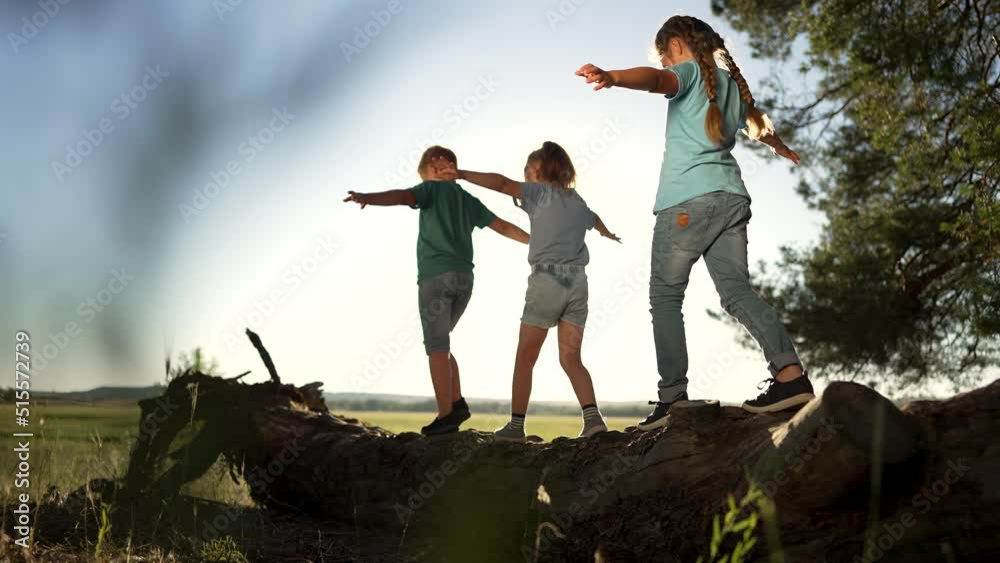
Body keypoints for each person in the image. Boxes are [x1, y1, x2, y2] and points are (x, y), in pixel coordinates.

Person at [575, 15, 814, 429]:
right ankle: (791, 377)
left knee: (665, 296)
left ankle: (672, 399)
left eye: (666, 56)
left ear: (678, 46)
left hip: (688, 201)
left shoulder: (686, 74)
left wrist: (613, 76)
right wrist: (781, 147)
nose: (667, 64)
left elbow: (655, 81)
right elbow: (759, 127)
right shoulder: (731, 86)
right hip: (732, 198)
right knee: (738, 293)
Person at [433, 141, 621, 442]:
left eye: (527, 171)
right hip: (578, 284)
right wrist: (605, 232)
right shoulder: (576, 200)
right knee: (571, 358)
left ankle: (516, 427)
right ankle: (594, 419)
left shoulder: (538, 193)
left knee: (525, 356)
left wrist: (462, 174)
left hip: (548, 282)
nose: (523, 177)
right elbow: (593, 217)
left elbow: (501, 183)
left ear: (538, 172)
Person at [344, 146, 529, 436]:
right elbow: (503, 227)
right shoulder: (467, 199)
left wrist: (369, 198)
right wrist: (535, 242)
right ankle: (457, 404)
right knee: (443, 343)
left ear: (433, 169)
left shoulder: (430, 190)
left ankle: (446, 416)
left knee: (436, 347)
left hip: (435, 277)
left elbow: (403, 196)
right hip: (464, 279)